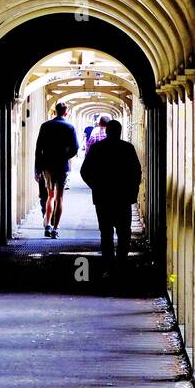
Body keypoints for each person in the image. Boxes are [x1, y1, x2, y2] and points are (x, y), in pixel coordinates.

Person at [79, 119, 142, 268]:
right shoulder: (127, 148)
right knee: (124, 230)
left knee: (106, 231)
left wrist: (94, 186)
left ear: (106, 131)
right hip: (123, 197)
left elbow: (84, 171)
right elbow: (136, 172)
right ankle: (121, 261)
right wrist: (132, 191)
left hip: (102, 196)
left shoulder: (96, 148)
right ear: (120, 132)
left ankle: (108, 261)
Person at [34, 102, 78, 239]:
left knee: (50, 196)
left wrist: (37, 168)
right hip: (62, 165)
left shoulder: (45, 126)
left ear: (55, 112)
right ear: (66, 112)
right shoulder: (70, 127)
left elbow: (38, 148)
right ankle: (55, 228)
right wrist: (65, 156)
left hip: (47, 165)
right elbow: (75, 148)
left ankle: (47, 224)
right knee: (59, 198)